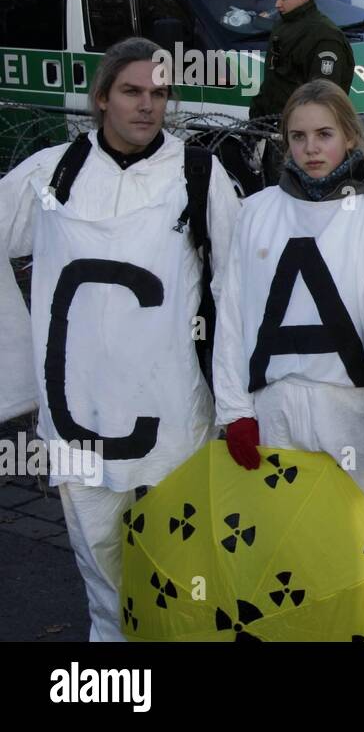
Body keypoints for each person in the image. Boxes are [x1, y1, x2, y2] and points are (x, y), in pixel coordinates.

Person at [0, 37, 241, 641]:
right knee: (104, 583)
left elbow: (243, 288)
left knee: (181, 578)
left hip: (174, 419)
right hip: (79, 419)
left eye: (159, 94)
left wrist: (239, 404)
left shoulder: (198, 174)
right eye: (133, 91)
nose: (147, 106)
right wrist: (18, 378)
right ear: (102, 97)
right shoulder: (51, 173)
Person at [215, 80, 364, 533]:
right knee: (287, 550)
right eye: (299, 136)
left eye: (325, 134)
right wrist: (235, 412)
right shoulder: (256, 212)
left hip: (354, 413)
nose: (311, 148)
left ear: (350, 136)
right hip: (276, 409)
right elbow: (233, 316)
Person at [248, 0, 355, 122]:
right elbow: (274, 80)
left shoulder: (324, 36)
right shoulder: (284, 25)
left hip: (301, 129)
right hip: (277, 124)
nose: (277, 4)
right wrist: (257, 116)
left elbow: (324, 96)